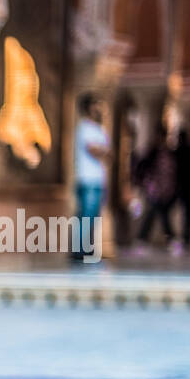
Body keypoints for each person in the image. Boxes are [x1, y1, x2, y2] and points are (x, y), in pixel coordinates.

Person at [72, 93, 110, 261]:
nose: (99, 109)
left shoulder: (99, 129)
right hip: (87, 179)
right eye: (96, 105)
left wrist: (103, 151)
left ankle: (88, 250)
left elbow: (106, 152)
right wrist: (103, 151)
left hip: (98, 179)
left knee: (93, 216)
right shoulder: (84, 128)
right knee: (85, 216)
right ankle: (79, 251)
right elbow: (94, 150)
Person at [133, 120, 176, 247]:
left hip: (165, 187)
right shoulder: (152, 151)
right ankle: (166, 237)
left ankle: (145, 237)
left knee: (159, 212)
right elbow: (143, 167)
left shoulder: (167, 151)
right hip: (154, 187)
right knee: (156, 212)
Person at [174, 126, 190, 249]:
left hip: (181, 185)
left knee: (186, 210)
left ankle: (184, 235)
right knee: (188, 211)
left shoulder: (178, 151)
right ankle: (186, 235)